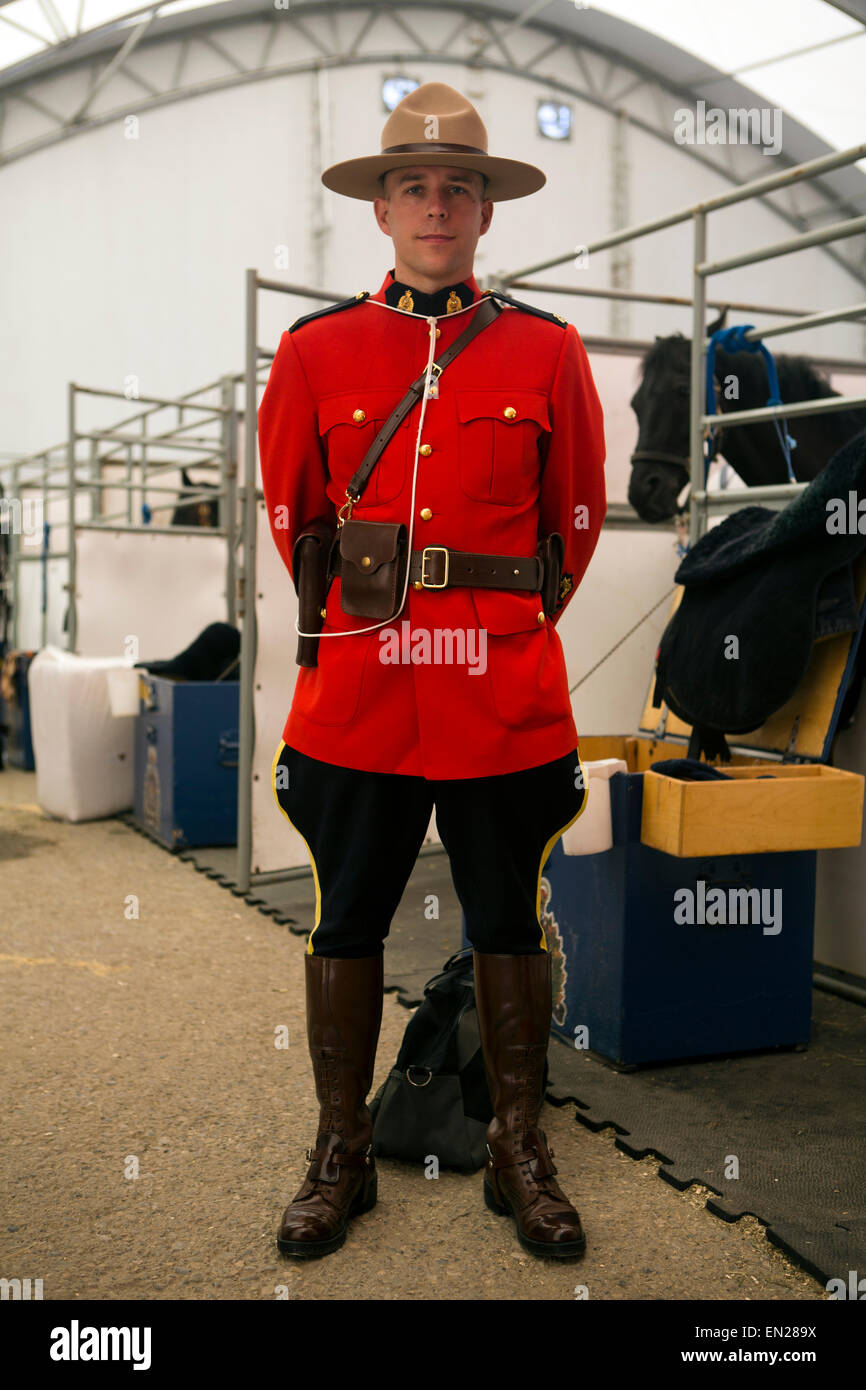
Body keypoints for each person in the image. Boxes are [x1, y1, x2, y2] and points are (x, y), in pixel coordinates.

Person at [257, 81, 606, 1261]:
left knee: (507, 917)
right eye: (414, 185)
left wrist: (494, 622)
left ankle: (517, 1149)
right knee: (346, 918)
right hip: (359, 692)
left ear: (486, 212)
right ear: (382, 208)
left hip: (498, 693)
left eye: (459, 187)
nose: (437, 205)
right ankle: (339, 1152)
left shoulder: (547, 350)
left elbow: (573, 524)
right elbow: (296, 518)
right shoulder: (316, 351)